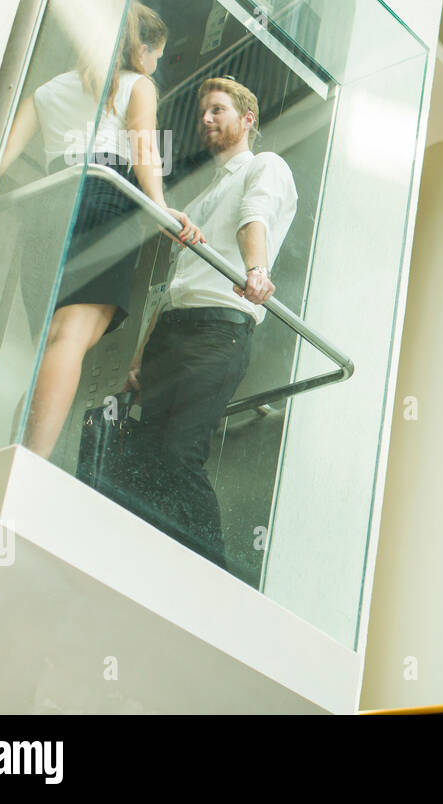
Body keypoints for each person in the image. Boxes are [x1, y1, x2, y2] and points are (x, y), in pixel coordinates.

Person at [0, 0, 204, 459]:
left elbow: (0, 158)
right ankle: (28, 462)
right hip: (105, 201)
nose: (156, 64)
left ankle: (14, 455)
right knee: (69, 340)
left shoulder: (47, 91)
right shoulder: (138, 85)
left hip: (46, 209)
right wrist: (161, 209)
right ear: (142, 49)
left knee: (53, 345)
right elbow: (144, 148)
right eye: (157, 55)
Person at [117, 76, 297, 568]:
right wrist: (139, 356)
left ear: (248, 119)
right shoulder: (197, 202)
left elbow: (253, 218)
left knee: (178, 452)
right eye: (203, 112)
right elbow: (171, 283)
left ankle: (212, 574)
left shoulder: (265, 166)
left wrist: (257, 271)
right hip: (171, 333)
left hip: (218, 329)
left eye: (218, 109)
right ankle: (147, 562)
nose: (206, 119)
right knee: (145, 455)